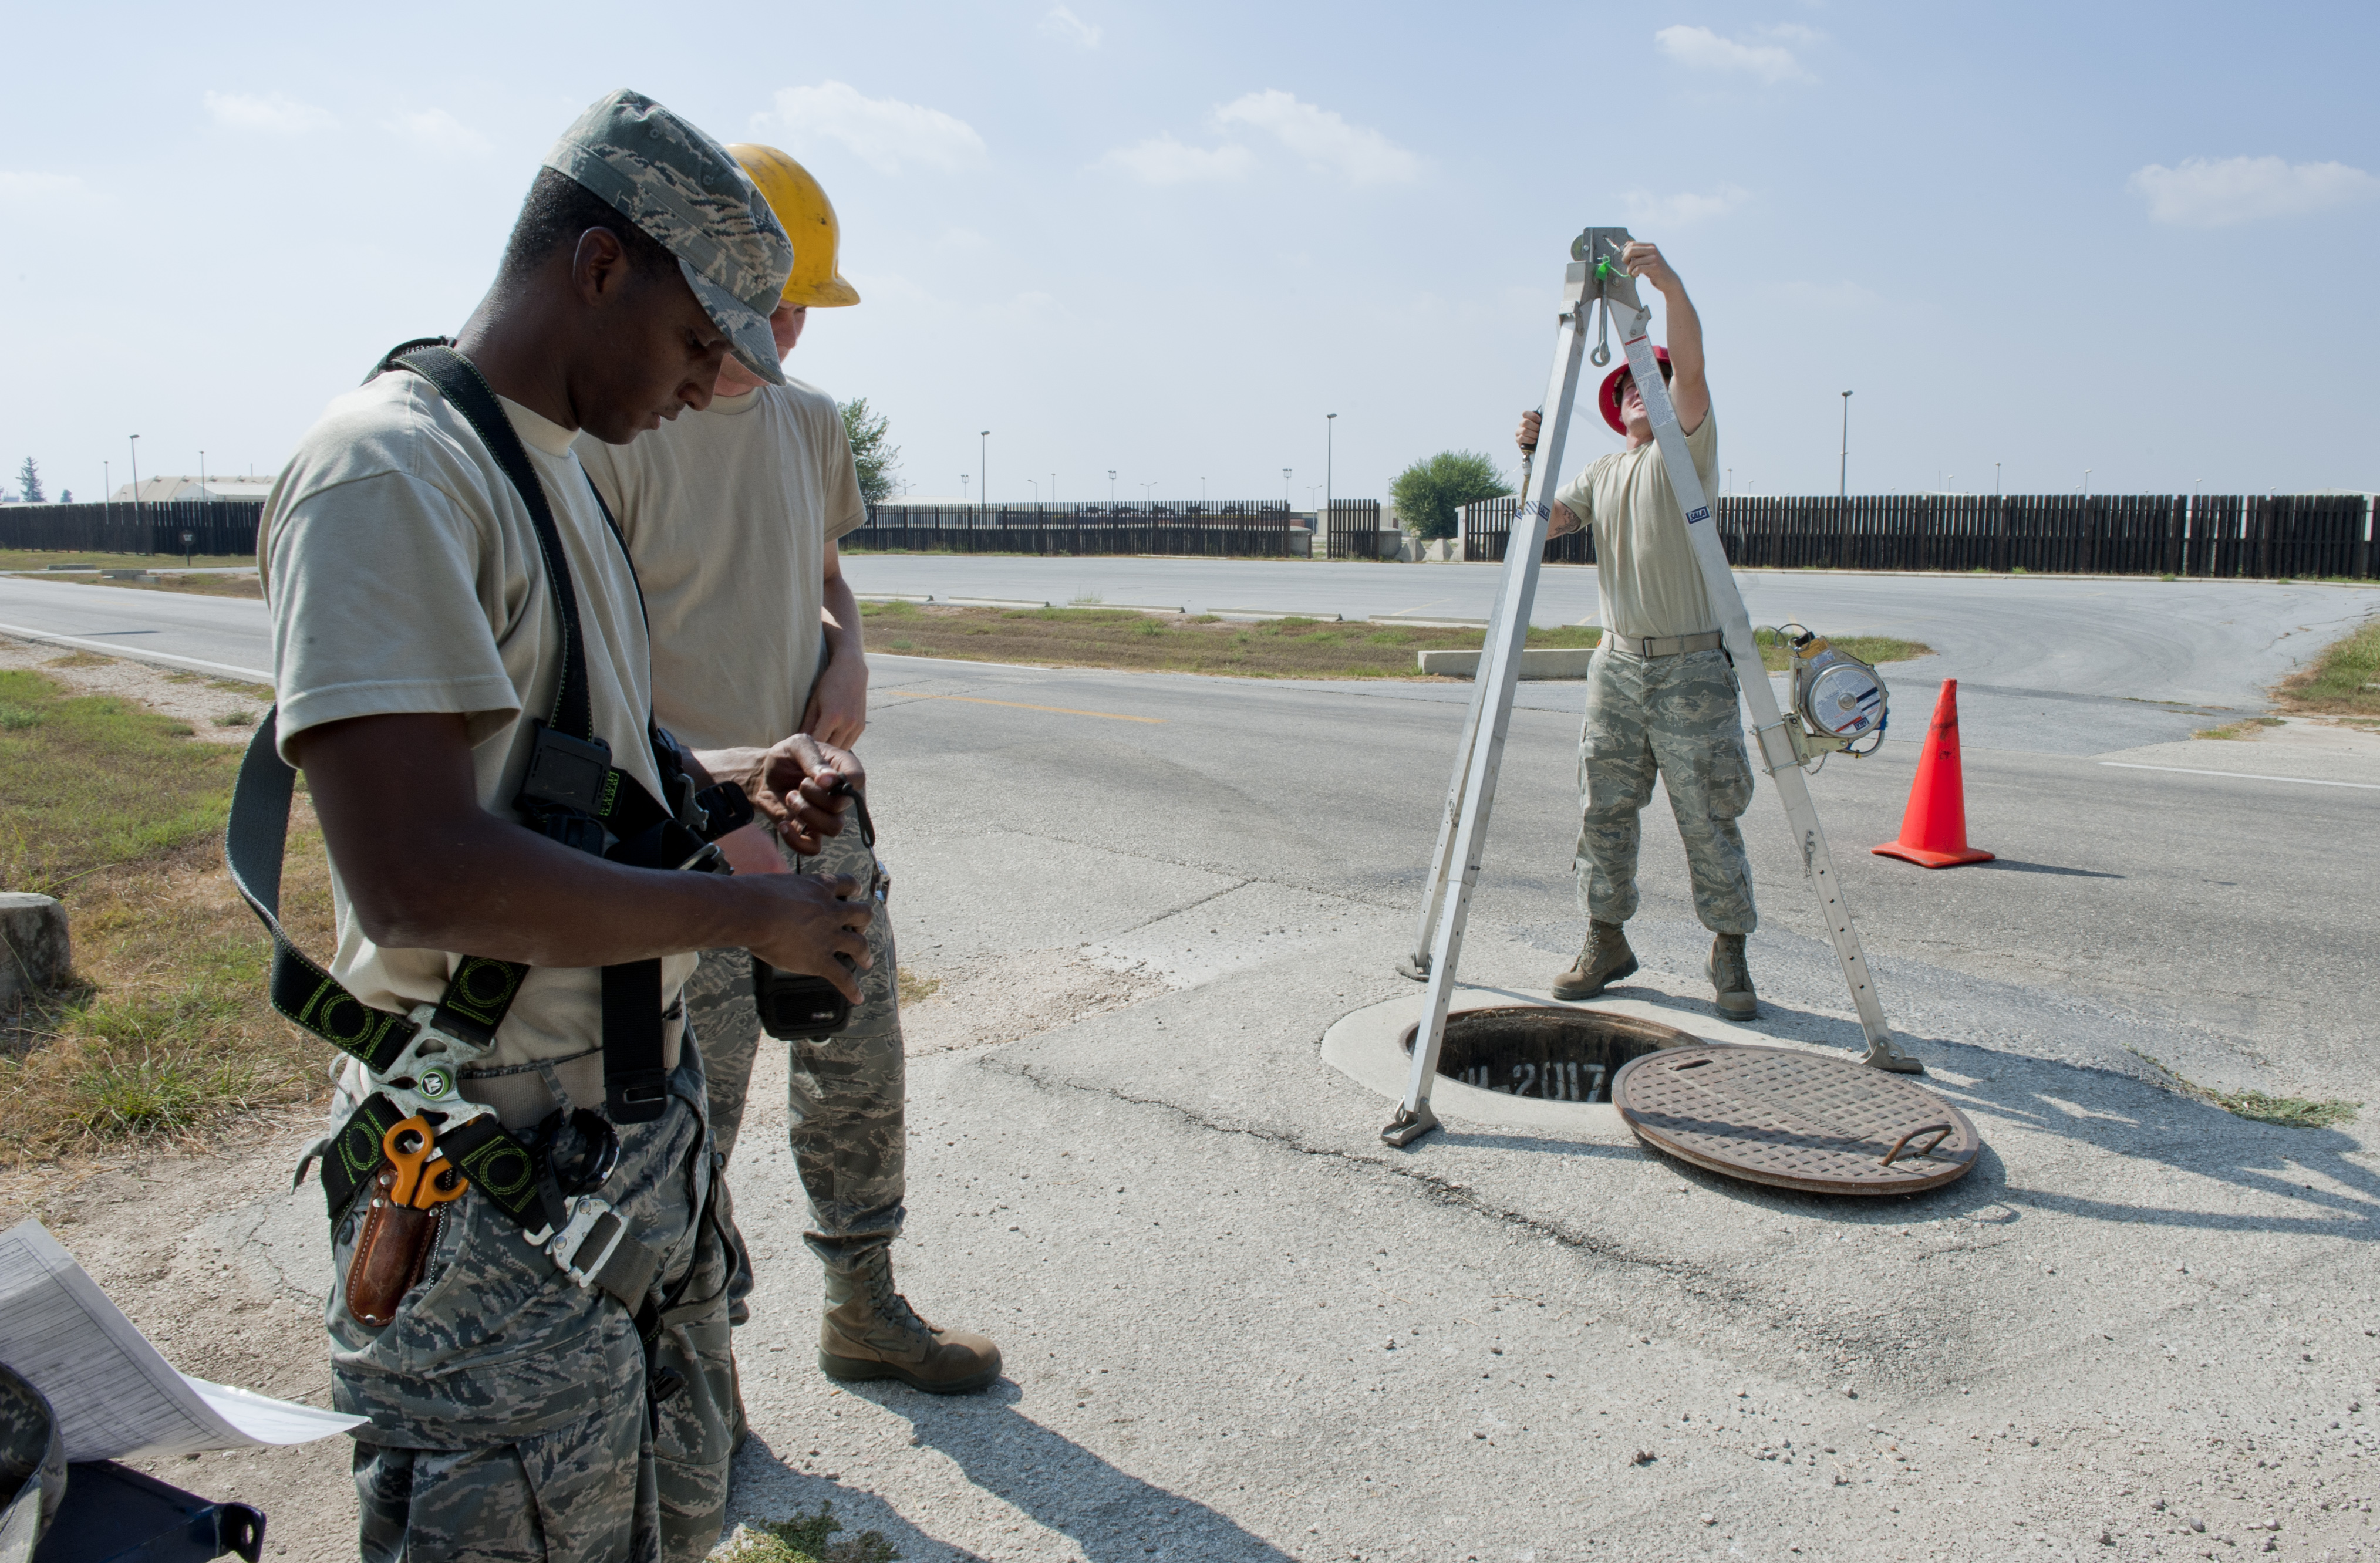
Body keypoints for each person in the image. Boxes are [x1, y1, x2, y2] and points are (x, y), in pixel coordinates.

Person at [258, 90, 877, 1561]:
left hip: (620, 1165)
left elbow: (572, 765)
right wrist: (752, 916)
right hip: (484, 1193)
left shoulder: (555, 471)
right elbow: (416, 878)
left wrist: (736, 776)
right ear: (600, 267)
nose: (710, 380)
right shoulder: (391, 471)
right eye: (693, 340)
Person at [579, 143, 999, 1399]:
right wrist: (708, 799)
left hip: (819, 809)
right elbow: (587, 651)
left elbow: (823, 580)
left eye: (804, 301)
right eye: (769, 302)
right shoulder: (617, 434)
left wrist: (852, 656)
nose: (792, 328)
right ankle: (698, 1358)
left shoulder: (808, 425)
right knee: (687, 1103)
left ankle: (862, 1306)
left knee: (855, 1067)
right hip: (680, 829)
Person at [1514, 239, 1758, 1020]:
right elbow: (1546, 525)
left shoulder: (1683, 454)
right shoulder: (1603, 472)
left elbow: (1690, 372)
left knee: (1706, 815)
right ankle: (1604, 937)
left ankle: (1728, 953)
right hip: (1617, 667)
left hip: (1690, 670)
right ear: (1615, 407)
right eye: (1625, 389)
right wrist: (1527, 458)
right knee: (1604, 808)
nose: (1637, 396)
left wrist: (1671, 286)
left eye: (1647, 386)